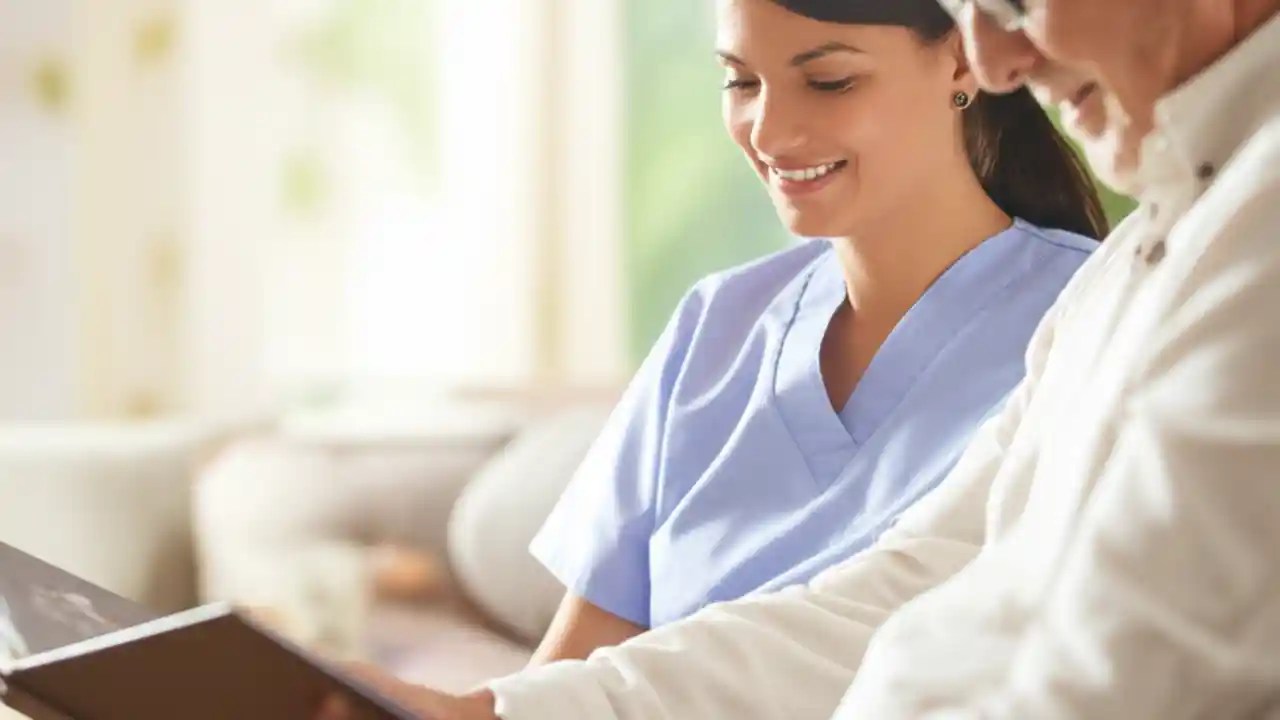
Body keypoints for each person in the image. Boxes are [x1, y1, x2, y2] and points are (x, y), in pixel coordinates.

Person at [318, 0, 1280, 717]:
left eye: (829, 80)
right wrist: (479, 713)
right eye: (740, 80)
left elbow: (1128, 679)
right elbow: (899, 595)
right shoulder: (1139, 266)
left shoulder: (1212, 249)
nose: (1000, 54)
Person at [527, 0, 1103, 663]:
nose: (769, 132)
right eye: (742, 82)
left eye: (829, 81)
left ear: (965, 57)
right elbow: (557, 682)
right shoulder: (715, 328)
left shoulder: (1093, 316)